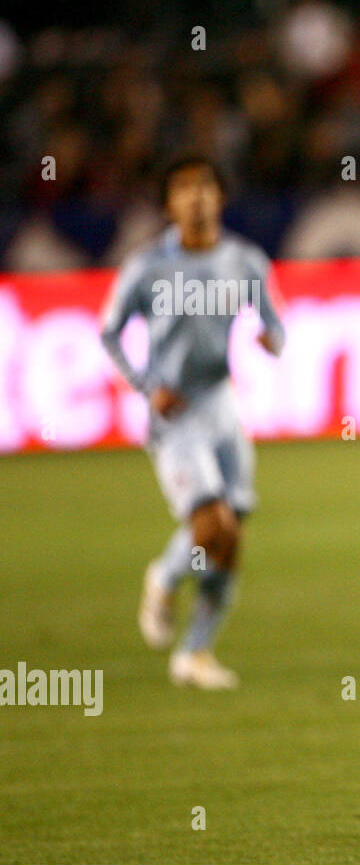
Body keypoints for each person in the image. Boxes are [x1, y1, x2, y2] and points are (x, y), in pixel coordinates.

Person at [100, 156, 285, 690]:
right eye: (184, 189)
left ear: (220, 198)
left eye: (205, 187)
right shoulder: (147, 267)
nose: (197, 197)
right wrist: (145, 387)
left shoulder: (244, 260)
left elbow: (275, 323)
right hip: (175, 414)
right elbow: (109, 332)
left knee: (232, 537)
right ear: (168, 205)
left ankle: (195, 654)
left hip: (221, 405)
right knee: (211, 526)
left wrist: (271, 341)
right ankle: (163, 577)